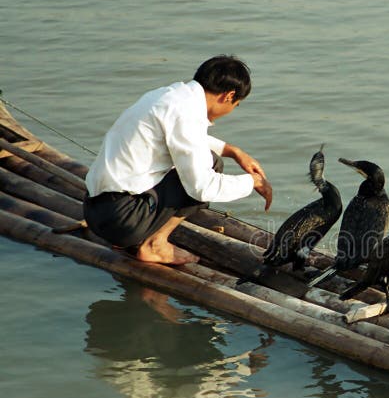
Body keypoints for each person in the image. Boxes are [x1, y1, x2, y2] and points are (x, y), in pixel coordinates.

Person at [84, 55, 272, 265]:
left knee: (208, 159)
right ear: (228, 96)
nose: (231, 110)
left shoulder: (168, 96)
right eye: (236, 104)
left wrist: (233, 150)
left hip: (95, 209)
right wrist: (251, 182)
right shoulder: (186, 113)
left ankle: (140, 236)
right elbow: (202, 188)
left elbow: (181, 137)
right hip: (121, 220)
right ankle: (155, 244)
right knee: (209, 167)